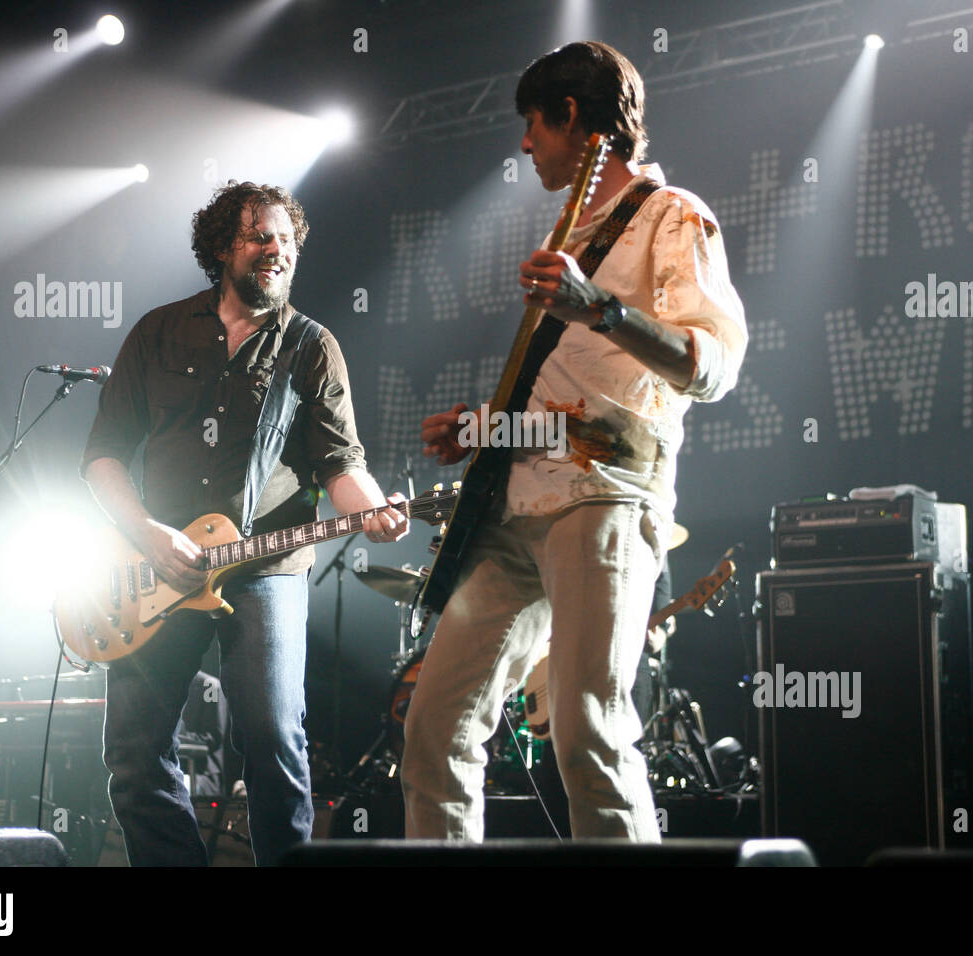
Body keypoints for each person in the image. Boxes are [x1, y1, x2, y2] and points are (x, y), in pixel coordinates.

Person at [401, 41, 748, 841]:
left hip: (603, 502)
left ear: (571, 118)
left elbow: (716, 367)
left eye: (533, 123)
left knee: (588, 729)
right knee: (434, 731)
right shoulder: (573, 230)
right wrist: (480, 429)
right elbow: (572, 407)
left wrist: (603, 309)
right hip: (514, 506)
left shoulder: (673, 216)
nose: (526, 145)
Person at [80, 180, 408, 865]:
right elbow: (103, 456)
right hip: (155, 564)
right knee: (134, 754)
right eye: (260, 236)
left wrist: (369, 510)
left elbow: (340, 465)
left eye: (286, 240)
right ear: (222, 246)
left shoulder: (311, 346)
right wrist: (147, 532)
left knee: (272, 741)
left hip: (264, 570)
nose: (276, 250)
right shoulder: (159, 330)